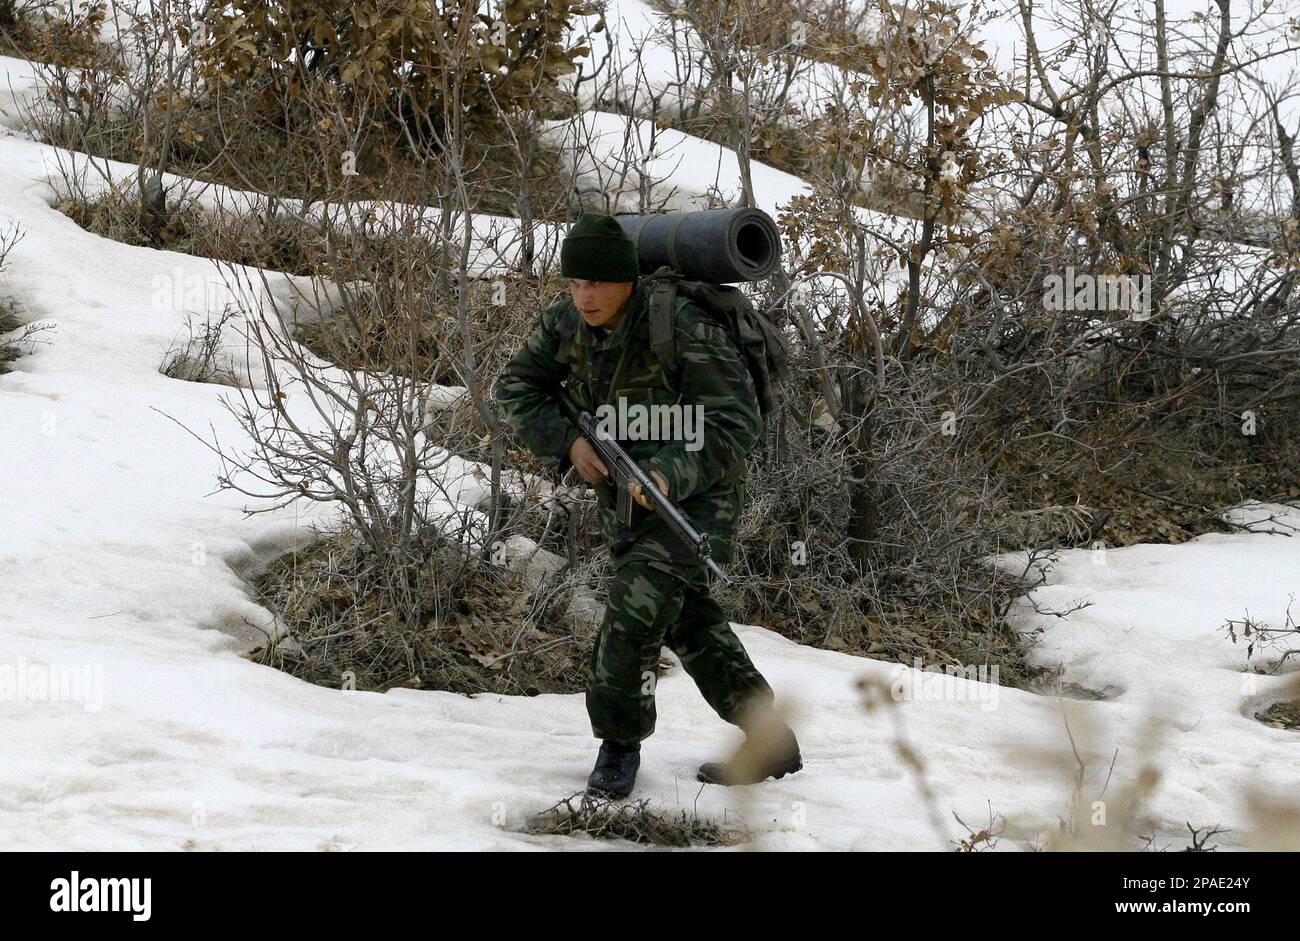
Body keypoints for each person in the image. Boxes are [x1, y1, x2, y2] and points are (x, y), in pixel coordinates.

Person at [494, 212, 801, 798]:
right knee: (688, 620)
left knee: (634, 614)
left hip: (698, 498)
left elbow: (733, 422)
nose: (585, 297)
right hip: (625, 499)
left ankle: (618, 748)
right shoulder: (566, 323)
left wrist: (667, 472)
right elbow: (518, 384)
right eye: (576, 283)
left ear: (627, 282)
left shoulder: (678, 324)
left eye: (599, 284)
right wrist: (569, 441)